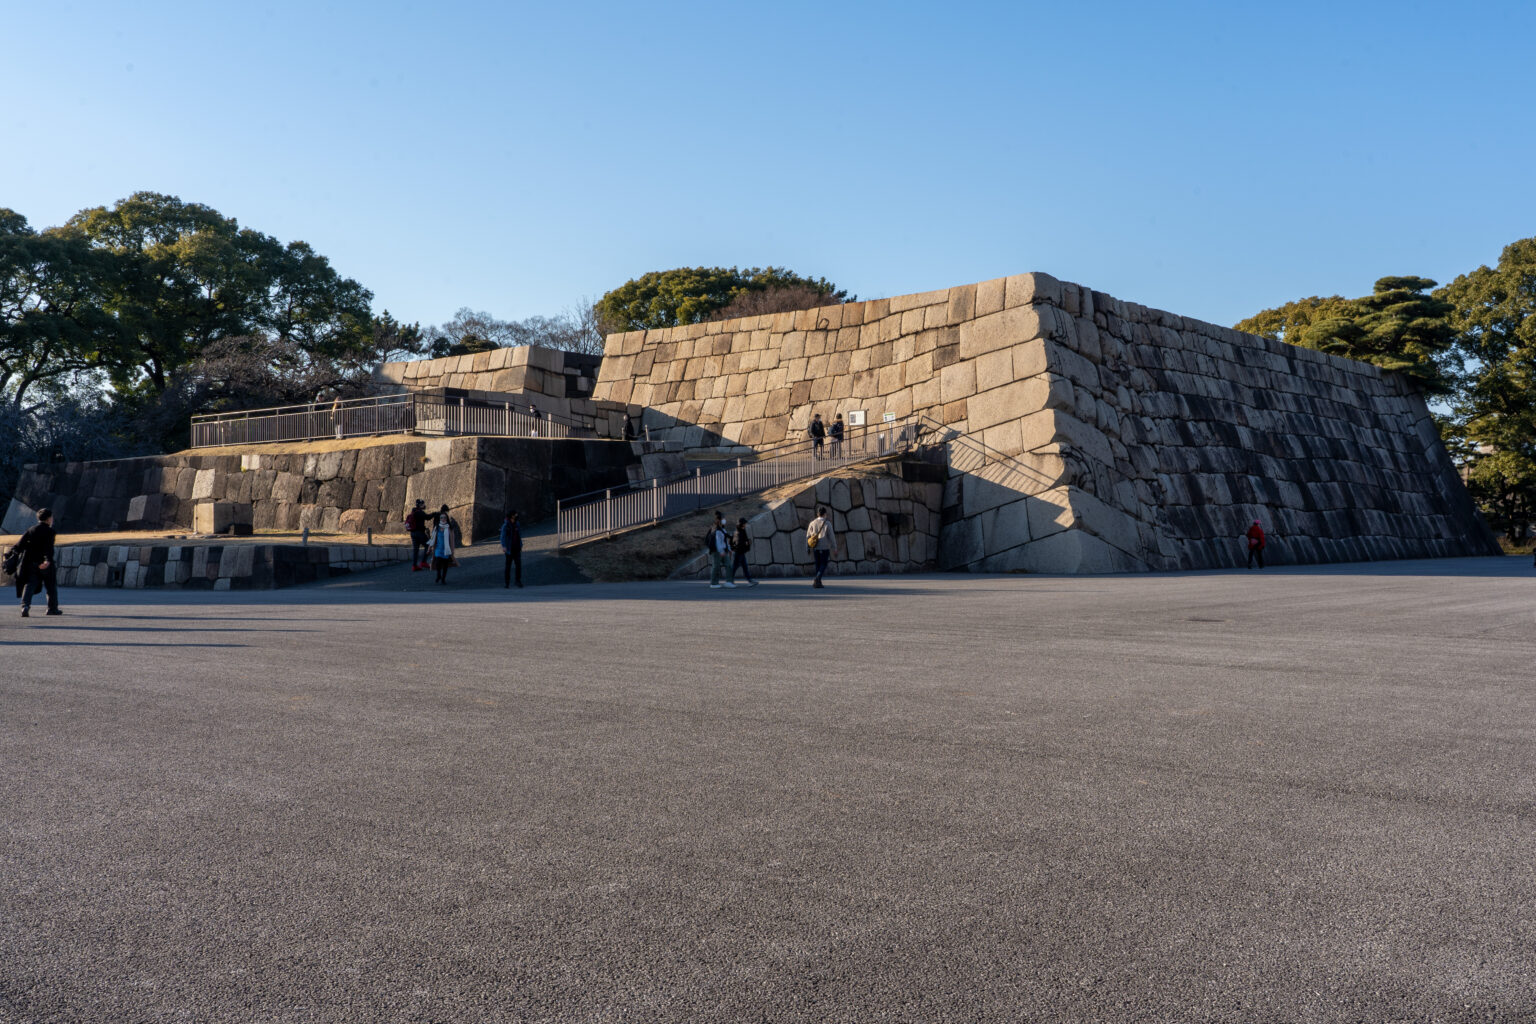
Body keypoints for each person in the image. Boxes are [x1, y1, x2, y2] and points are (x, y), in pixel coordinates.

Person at [12, 507, 61, 617]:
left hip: (32, 562)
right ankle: (52, 608)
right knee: (51, 586)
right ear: (48, 519)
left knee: (30, 584)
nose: (52, 519)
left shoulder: (31, 529)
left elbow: (19, 545)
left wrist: (11, 554)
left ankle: (25, 606)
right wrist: (48, 560)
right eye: (51, 517)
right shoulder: (50, 531)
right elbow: (49, 548)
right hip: (45, 563)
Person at [806, 505, 838, 589]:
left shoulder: (812, 523)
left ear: (817, 514)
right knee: (823, 564)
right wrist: (835, 548)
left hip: (815, 547)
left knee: (818, 564)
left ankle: (818, 583)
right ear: (825, 514)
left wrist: (808, 547)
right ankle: (817, 579)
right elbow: (832, 536)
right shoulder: (827, 523)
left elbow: (808, 536)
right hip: (824, 547)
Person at [431, 504, 457, 584]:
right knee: (438, 562)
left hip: (446, 548)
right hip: (438, 548)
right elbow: (433, 539)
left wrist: (452, 550)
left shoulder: (449, 528)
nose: (443, 519)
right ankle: (439, 575)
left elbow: (452, 540)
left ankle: (443, 579)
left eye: (444, 518)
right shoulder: (437, 527)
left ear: (447, 518)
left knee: (445, 564)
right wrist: (430, 548)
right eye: (441, 518)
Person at [707, 511, 734, 589]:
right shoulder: (716, 530)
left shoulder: (722, 529)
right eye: (723, 519)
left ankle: (729, 581)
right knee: (716, 566)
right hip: (717, 551)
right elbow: (718, 542)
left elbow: (724, 540)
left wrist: (729, 549)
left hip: (723, 551)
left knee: (728, 565)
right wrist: (721, 551)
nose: (724, 520)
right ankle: (714, 583)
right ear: (719, 520)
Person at [729, 516, 759, 587]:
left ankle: (749, 580)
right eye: (745, 523)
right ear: (741, 524)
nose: (746, 524)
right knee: (735, 567)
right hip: (738, 552)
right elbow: (739, 543)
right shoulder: (739, 532)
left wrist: (747, 542)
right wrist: (746, 543)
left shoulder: (741, 530)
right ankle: (730, 580)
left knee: (744, 567)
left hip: (740, 552)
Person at [405, 499, 430, 571]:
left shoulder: (413, 511)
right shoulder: (420, 512)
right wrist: (435, 514)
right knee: (428, 545)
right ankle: (423, 562)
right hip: (419, 533)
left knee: (415, 550)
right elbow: (428, 517)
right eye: (423, 504)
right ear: (420, 505)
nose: (424, 505)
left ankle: (414, 566)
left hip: (413, 533)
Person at [501, 510, 523, 589]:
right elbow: (502, 537)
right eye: (515, 515)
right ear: (511, 517)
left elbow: (519, 535)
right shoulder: (506, 525)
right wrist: (504, 546)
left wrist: (520, 544)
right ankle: (507, 583)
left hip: (516, 548)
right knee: (508, 566)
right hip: (509, 549)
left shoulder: (517, 524)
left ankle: (518, 580)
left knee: (518, 565)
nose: (516, 516)